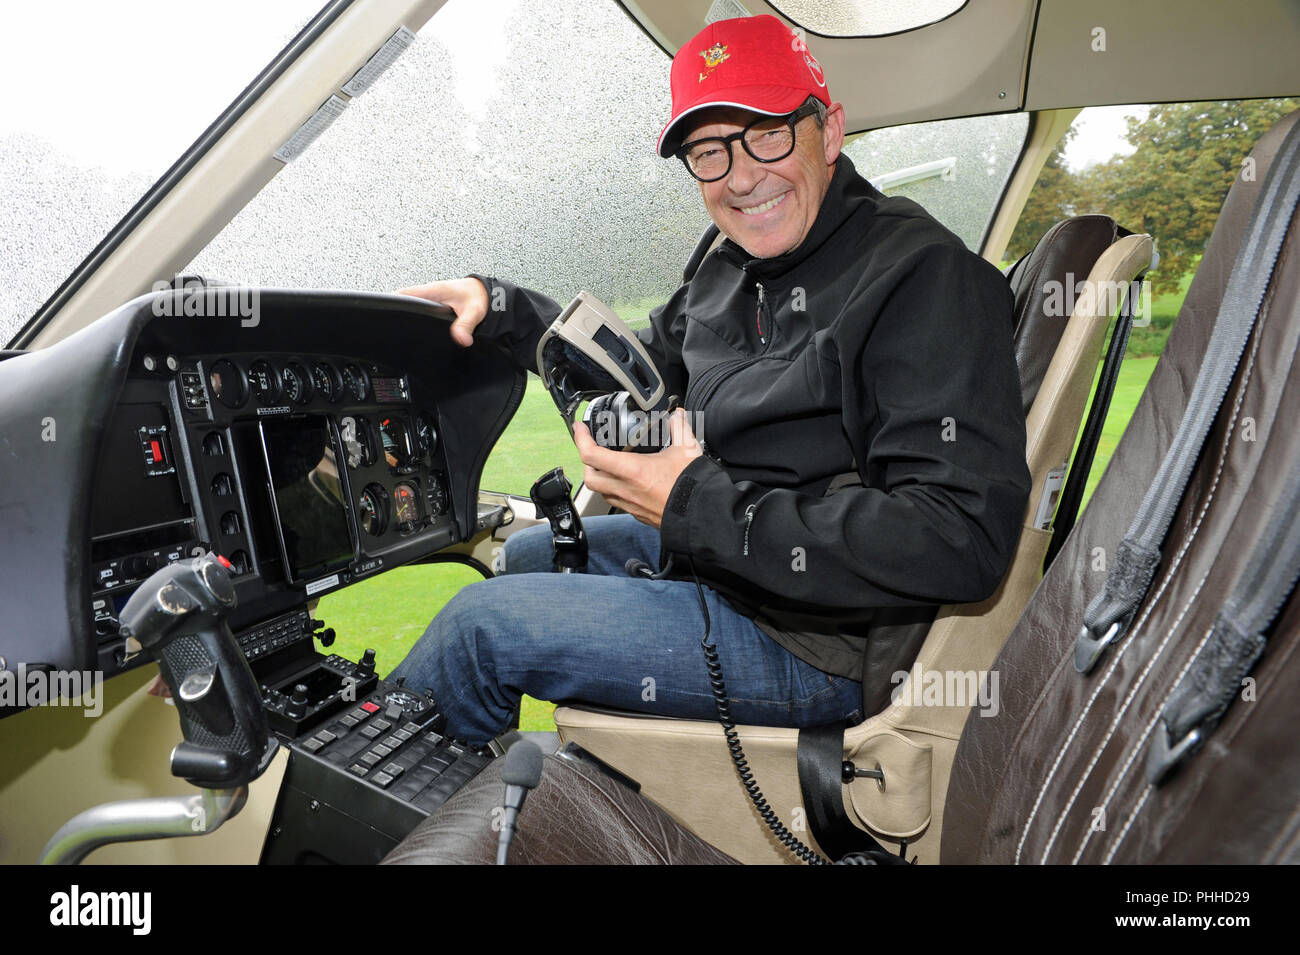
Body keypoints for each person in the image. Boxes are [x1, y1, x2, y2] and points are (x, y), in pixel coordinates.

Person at [391, 14, 1030, 745]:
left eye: (768, 132)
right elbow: (633, 368)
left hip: (813, 636)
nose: (743, 176)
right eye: (709, 151)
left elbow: (959, 534)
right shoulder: (729, 267)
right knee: (528, 553)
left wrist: (696, 504)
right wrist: (500, 307)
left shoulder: (923, 276)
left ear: (831, 130)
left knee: (479, 629)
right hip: (722, 563)